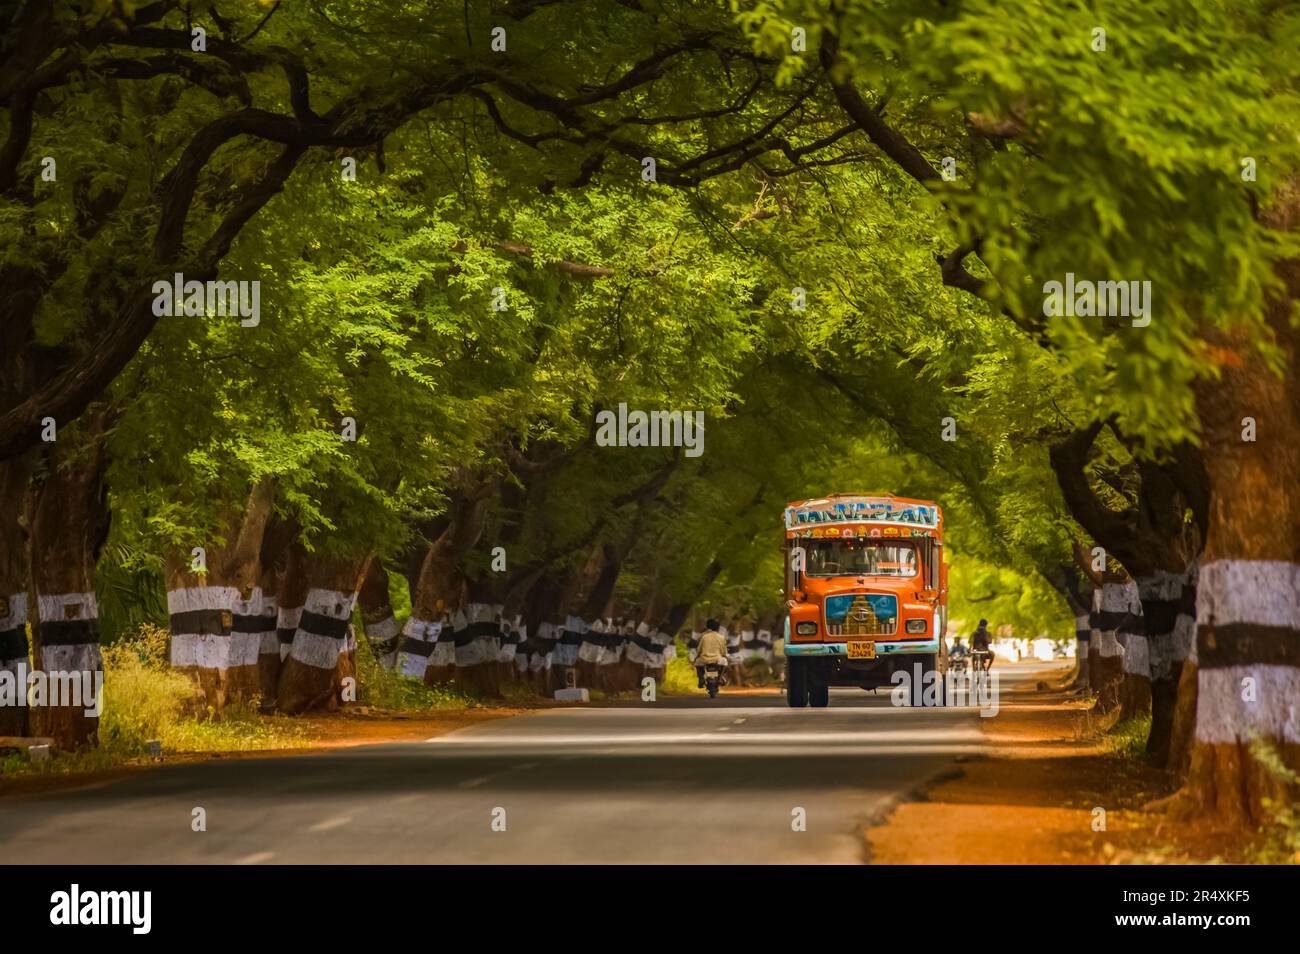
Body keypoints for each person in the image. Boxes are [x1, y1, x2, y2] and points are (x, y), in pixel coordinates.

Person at [694, 618, 729, 689]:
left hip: (704, 659)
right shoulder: (721, 637)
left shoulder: (704, 636)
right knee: (725, 662)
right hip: (717, 659)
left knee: (697, 663)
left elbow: (699, 649)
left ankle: (701, 679)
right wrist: (725, 655)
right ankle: (720, 678)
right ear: (718, 628)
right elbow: (724, 650)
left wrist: (697, 656)